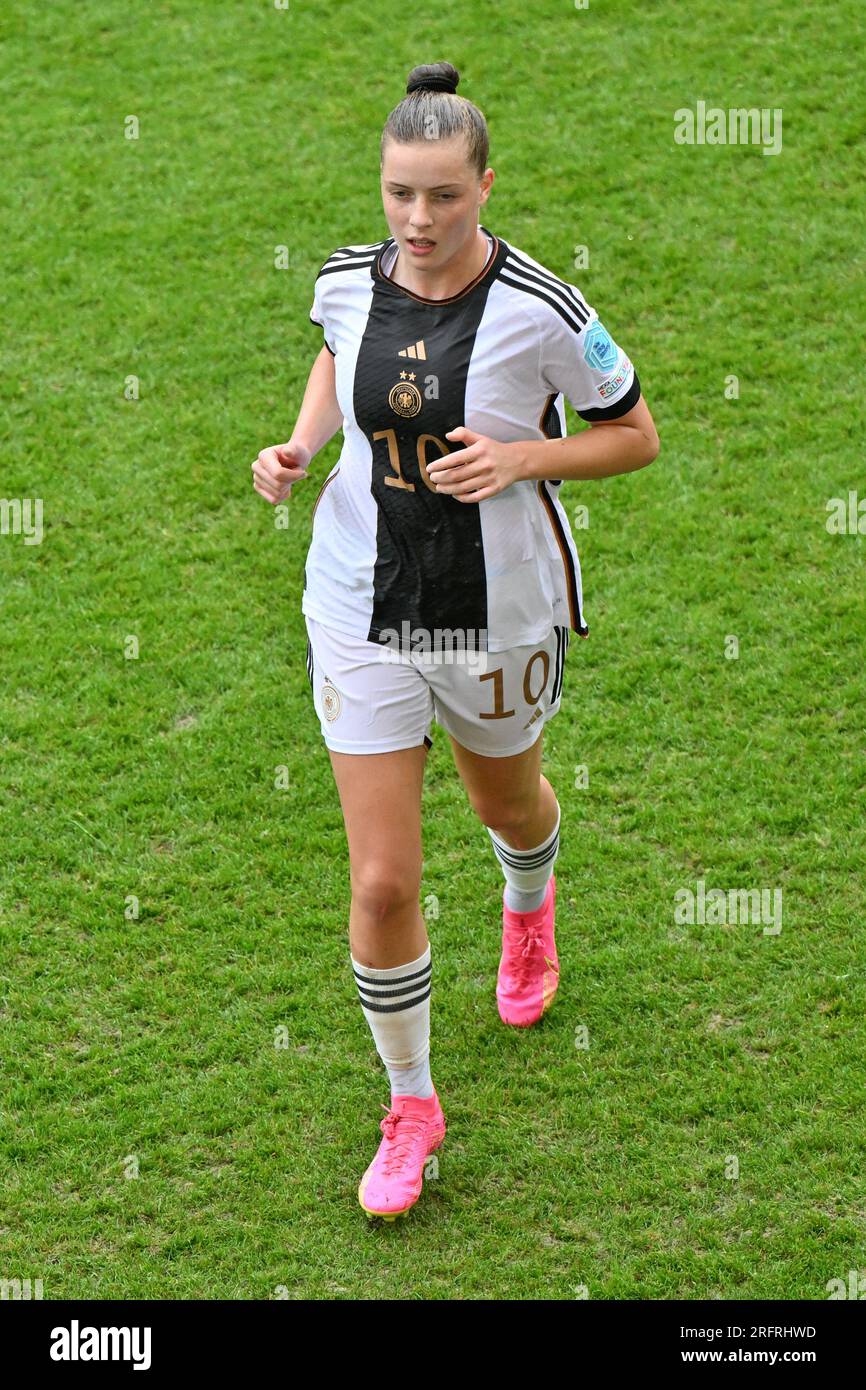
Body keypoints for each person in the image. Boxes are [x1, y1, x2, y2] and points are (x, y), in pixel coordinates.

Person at [252, 60, 659, 1221]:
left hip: (496, 606)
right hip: (357, 596)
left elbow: (634, 435)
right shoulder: (341, 280)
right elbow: (339, 356)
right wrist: (294, 446)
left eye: (443, 196)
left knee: (505, 806)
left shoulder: (544, 307)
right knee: (381, 879)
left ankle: (526, 907)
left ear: (485, 185)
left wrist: (522, 456)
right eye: (397, 195)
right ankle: (412, 1101)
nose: (418, 222)